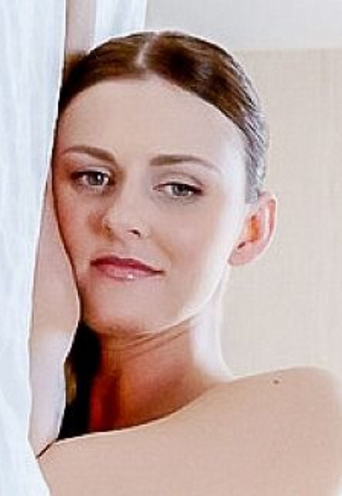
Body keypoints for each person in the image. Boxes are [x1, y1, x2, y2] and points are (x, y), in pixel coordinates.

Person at [30, 31, 342, 494]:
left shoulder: (306, 422)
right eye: (92, 177)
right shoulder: (16, 413)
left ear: (252, 228)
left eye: (180, 188)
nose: (121, 218)